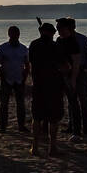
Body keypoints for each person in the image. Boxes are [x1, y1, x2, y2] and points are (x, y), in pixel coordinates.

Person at [27, 22, 71, 155]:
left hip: (38, 85)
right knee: (53, 118)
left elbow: (31, 63)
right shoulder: (56, 46)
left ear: (41, 32)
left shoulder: (34, 45)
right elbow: (65, 66)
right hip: (54, 86)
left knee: (37, 117)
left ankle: (34, 147)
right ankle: (52, 147)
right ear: (52, 33)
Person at [58, 17, 87, 139]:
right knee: (71, 101)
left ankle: (86, 128)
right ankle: (72, 126)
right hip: (67, 73)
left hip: (81, 71)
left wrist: (86, 67)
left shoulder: (82, 39)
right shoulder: (60, 40)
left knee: (83, 100)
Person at [0, 25, 29, 133]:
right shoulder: (3, 48)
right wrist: (2, 77)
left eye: (16, 34)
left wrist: (24, 77)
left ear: (19, 35)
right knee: (4, 104)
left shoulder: (23, 49)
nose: (15, 36)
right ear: (9, 34)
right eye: (13, 34)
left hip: (19, 79)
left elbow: (27, 65)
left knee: (20, 104)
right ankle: (3, 126)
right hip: (6, 80)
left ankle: (21, 126)